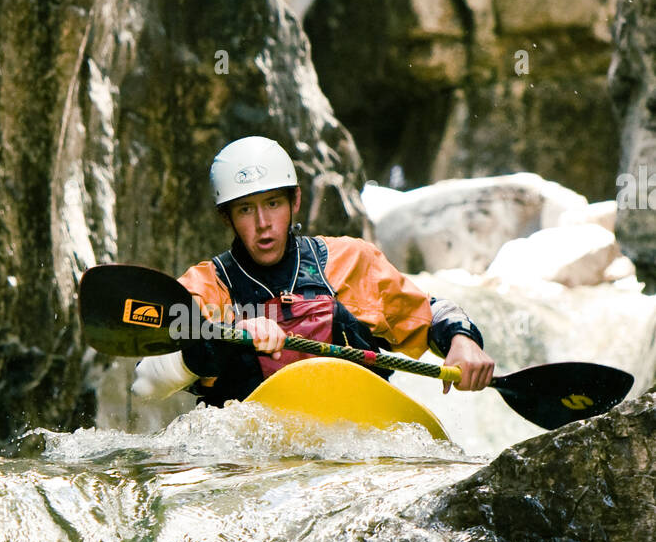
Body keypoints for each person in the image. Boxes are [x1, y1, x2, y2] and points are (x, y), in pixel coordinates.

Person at [131, 136, 495, 403]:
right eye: (245, 210)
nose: (263, 223)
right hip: (250, 456)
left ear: (295, 201)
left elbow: (430, 313)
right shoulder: (206, 286)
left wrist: (462, 340)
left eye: (273, 203)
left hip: (353, 435)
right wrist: (227, 334)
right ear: (226, 218)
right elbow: (145, 383)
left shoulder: (352, 261)